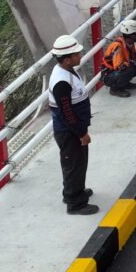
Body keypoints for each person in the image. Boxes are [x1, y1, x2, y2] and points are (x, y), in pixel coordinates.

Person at [47, 35, 97, 215]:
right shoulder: (61, 82)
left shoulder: (66, 70)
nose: (80, 55)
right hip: (69, 132)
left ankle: (74, 192)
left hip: (73, 129)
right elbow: (66, 112)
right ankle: (75, 203)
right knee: (73, 164)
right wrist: (81, 133)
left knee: (78, 162)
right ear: (67, 60)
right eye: (77, 54)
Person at [102, 19, 136, 96]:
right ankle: (115, 89)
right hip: (109, 75)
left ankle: (124, 83)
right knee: (129, 69)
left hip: (118, 71)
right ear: (129, 35)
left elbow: (133, 57)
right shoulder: (117, 46)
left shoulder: (130, 44)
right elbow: (119, 67)